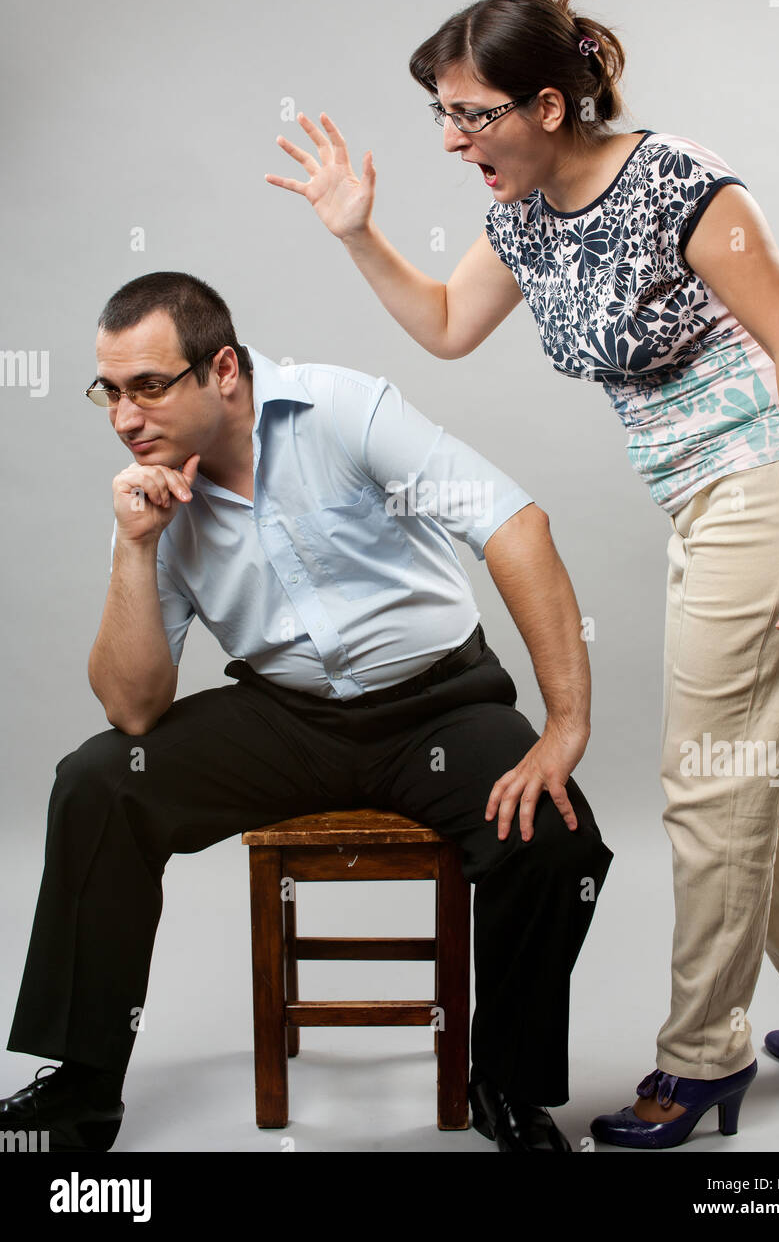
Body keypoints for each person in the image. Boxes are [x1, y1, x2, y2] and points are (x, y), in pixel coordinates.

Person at [264, 0, 779, 1149]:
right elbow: (446, 323)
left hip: (773, 482)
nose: (451, 141)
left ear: (547, 103)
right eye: (440, 116)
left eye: (470, 115)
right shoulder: (521, 217)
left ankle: (700, 1061)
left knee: (706, 783)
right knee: (733, 769)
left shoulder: (677, 178)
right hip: (705, 501)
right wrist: (355, 233)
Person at [1, 270, 613, 1154]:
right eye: (111, 391)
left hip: (439, 709)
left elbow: (516, 525)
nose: (125, 418)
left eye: (148, 387)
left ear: (220, 370)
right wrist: (138, 552)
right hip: (287, 720)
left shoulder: (342, 410)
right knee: (99, 782)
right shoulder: (152, 492)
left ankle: (507, 1086)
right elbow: (133, 710)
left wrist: (565, 726)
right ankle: (84, 1088)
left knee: (553, 840)